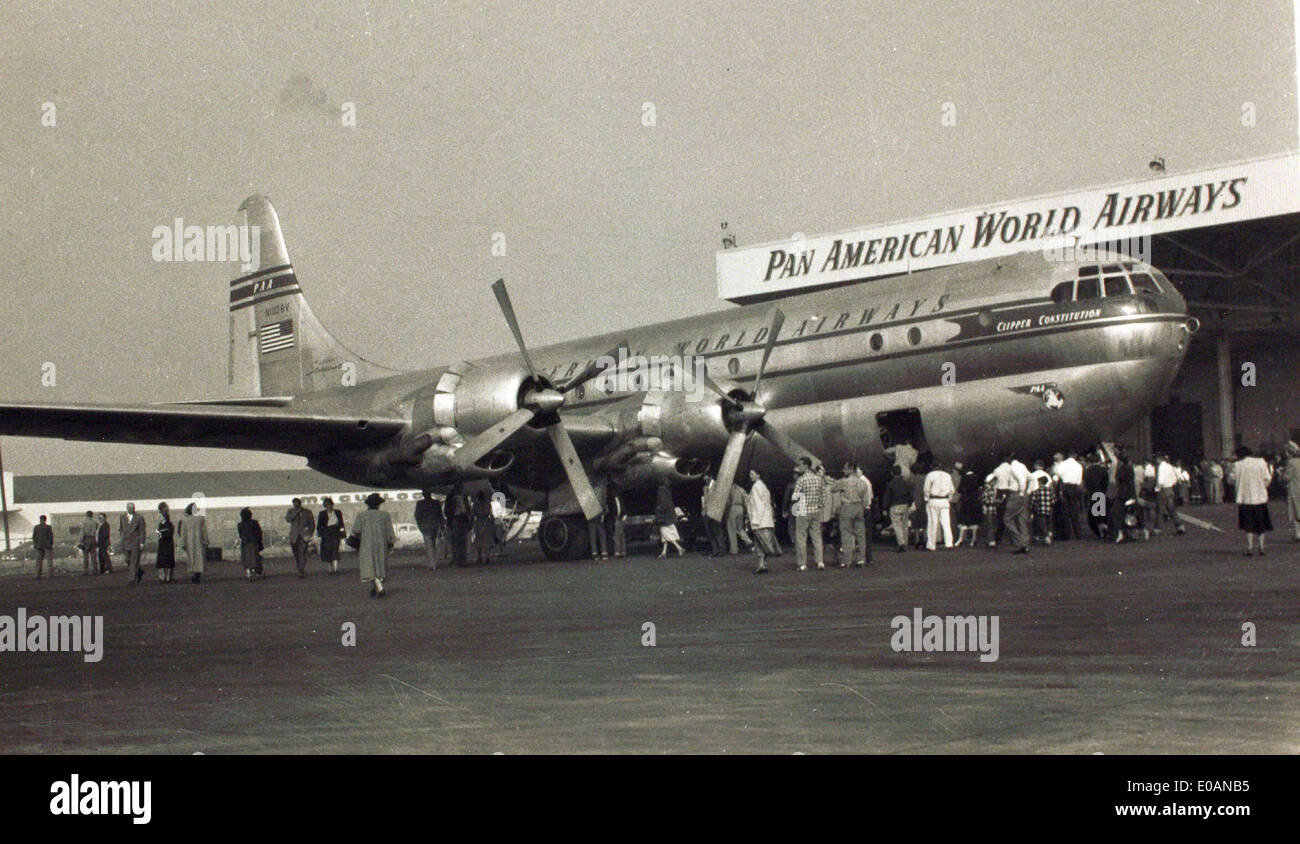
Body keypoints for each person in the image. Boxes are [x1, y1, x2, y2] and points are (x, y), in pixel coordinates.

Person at [349, 492, 396, 597]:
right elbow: (390, 532)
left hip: (366, 544)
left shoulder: (362, 515)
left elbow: (356, 530)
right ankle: (375, 588)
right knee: (379, 565)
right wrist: (391, 544)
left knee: (369, 566)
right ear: (379, 504)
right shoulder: (385, 515)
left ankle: (379, 588)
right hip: (381, 543)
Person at [1234, 446, 1273, 556]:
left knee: (1248, 524)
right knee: (1261, 524)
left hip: (1245, 498)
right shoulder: (1261, 462)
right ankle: (1261, 547)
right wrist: (1262, 488)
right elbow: (1267, 478)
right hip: (1260, 497)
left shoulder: (1237, 465)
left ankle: (1250, 547)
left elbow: (1231, 479)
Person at [790, 457, 826, 570]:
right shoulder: (818, 479)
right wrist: (820, 505)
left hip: (803, 511)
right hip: (815, 511)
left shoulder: (801, 480)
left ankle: (802, 564)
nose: (798, 467)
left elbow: (795, 496)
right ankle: (820, 561)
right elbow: (823, 495)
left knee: (801, 537)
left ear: (805, 465)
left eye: (800, 465)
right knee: (817, 537)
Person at [836, 462, 872, 567]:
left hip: (847, 507)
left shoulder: (844, 482)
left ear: (850, 469)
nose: (843, 471)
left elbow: (833, 488)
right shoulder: (863, 483)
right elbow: (866, 500)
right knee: (860, 535)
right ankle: (861, 559)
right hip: (859, 507)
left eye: (845, 469)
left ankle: (847, 560)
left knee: (846, 534)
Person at [747, 470, 781, 574]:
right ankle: (762, 564)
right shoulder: (763, 486)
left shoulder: (756, 487)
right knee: (762, 544)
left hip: (760, 520)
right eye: (750, 474)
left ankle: (762, 564)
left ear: (758, 475)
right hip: (766, 519)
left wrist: (755, 521)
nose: (750, 476)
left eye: (752, 474)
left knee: (760, 543)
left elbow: (758, 505)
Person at [922, 462, 955, 550]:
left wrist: (926, 499)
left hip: (933, 500)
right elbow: (952, 490)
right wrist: (948, 499)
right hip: (944, 501)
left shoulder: (930, 475)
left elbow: (926, 489)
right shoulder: (947, 475)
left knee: (932, 523)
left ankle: (931, 545)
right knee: (946, 523)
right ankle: (949, 543)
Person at [1053, 452, 1085, 541]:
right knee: (1074, 512)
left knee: (1064, 512)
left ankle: (1066, 535)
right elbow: (1079, 480)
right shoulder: (1079, 466)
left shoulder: (1062, 464)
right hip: (1074, 488)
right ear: (1075, 456)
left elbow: (1057, 476)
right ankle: (1078, 534)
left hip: (1064, 486)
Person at [883, 465, 914, 553]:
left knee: (897, 525)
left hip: (895, 505)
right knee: (904, 525)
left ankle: (901, 543)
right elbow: (910, 495)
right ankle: (905, 542)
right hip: (905, 505)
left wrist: (885, 508)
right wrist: (910, 503)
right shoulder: (905, 482)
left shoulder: (891, 483)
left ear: (893, 473)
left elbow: (887, 496)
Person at [1154, 453, 1186, 536]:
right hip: (1169, 488)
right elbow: (1175, 478)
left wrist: (1157, 488)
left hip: (1162, 489)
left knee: (1160, 509)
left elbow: (1160, 480)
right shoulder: (1170, 466)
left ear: (1159, 459)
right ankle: (1179, 525)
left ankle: (1158, 528)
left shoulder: (1161, 467)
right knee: (1171, 509)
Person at [178, 502, 210, 584]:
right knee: (199, 558)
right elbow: (204, 531)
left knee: (191, 558)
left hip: (189, 541)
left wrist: (182, 543)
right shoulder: (200, 518)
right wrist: (206, 541)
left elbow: (183, 532)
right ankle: (197, 574)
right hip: (199, 541)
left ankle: (193, 573)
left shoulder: (185, 519)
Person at [284, 498, 315, 578]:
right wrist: (295, 513)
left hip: (304, 536)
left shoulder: (307, 512)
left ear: (300, 504)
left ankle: (301, 570)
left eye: (297, 503)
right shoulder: (290, 511)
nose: (295, 505)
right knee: (296, 553)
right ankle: (300, 568)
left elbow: (312, 523)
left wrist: (310, 533)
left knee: (302, 553)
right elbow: (288, 519)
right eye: (294, 504)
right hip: (294, 536)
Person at [414, 489, 444, 570]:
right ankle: (434, 563)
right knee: (434, 545)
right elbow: (440, 515)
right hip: (435, 525)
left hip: (425, 526)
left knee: (428, 545)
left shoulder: (420, 503)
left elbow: (417, 515)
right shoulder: (436, 503)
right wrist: (442, 525)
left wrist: (420, 524)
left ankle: (431, 564)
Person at [1083, 453, 1110, 539]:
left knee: (1094, 515)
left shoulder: (1087, 471)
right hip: (1101, 493)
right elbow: (1106, 482)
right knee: (1101, 513)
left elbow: (1086, 483)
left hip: (1091, 494)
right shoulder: (1103, 470)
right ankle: (1103, 530)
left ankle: (1100, 531)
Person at [700, 475, 728, 558]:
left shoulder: (717, 485)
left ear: (710, 476)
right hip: (706, 511)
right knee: (710, 532)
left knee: (717, 530)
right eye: (704, 478)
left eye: (706, 477)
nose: (705, 479)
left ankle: (722, 549)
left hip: (715, 511)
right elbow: (705, 499)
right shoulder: (705, 488)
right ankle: (715, 550)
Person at [955, 464, 983, 547]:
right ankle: (973, 540)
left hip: (966, 501)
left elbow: (959, 489)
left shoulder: (965, 478)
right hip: (975, 501)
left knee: (963, 520)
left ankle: (960, 539)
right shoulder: (976, 477)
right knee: (974, 520)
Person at [654, 482, 685, 557]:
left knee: (666, 534)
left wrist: (658, 510)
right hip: (670, 517)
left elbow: (663, 506)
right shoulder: (668, 491)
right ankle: (664, 552)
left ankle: (679, 548)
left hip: (664, 518)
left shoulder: (661, 490)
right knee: (665, 535)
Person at [317, 497, 345, 575]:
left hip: (336, 533)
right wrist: (320, 534)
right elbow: (319, 525)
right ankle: (330, 569)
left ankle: (335, 569)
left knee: (335, 551)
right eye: (328, 505)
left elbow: (341, 524)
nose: (330, 506)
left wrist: (342, 535)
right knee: (327, 552)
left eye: (331, 504)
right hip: (326, 534)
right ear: (325, 506)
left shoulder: (338, 512)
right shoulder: (322, 514)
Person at [1028, 460, 1054, 545]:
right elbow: (1051, 487)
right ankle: (1048, 533)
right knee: (1048, 521)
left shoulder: (1032, 475)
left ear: (1036, 465)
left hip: (1038, 501)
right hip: (1048, 505)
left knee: (1037, 520)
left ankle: (1037, 535)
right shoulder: (1047, 475)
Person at [120, 502, 147, 584]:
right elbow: (121, 528)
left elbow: (142, 530)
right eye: (130, 508)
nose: (132, 509)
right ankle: (139, 571)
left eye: (133, 507)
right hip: (126, 542)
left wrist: (142, 542)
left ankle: (132, 579)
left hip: (135, 541)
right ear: (127, 508)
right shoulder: (122, 517)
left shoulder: (139, 517)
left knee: (134, 561)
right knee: (127, 559)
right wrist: (122, 537)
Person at [444, 485, 472, 566]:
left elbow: (467, 509)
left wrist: (469, 517)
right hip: (455, 519)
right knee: (455, 541)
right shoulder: (450, 498)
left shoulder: (464, 498)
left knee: (463, 541)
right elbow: (447, 510)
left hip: (463, 519)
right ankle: (456, 559)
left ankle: (463, 559)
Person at [237, 507, 264, 581]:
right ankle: (254, 572)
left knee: (246, 559)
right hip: (254, 543)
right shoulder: (254, 523)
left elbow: (240, 534)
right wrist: (260, 542)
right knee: (254, 558)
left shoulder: (240, 525)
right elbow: (259, 533)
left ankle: (249, 572)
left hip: (245, 543)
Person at [726, 482, 752, 554]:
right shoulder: (741, 489)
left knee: (731, 529)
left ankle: (734, 549)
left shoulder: (729, 488)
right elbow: (746, 499)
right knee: (740, 528)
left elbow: (728, 501)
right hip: (740, 508)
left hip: (732, 507)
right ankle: (748, 540)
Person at [472, 491, 497, 564]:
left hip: (479, 521)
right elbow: (490, 513)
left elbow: (474, 513)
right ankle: (487, 557)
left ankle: (479, 557)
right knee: (487, 540)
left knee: (479, 539)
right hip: (486, 521)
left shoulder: (475, 505)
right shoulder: (487, 504)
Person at [155, 503, 176, 583]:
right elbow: (158, 530)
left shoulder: (168, 520)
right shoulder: (161, 519)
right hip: (163, 541)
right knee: (163, 559)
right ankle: (164, 576)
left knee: (168, 559)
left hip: (167, 541)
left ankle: (167, 576)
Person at [606, 484, 627, 558]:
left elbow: (614, 510)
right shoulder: (618, 499)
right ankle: (622, 551)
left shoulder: (612, 500)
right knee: (621, 535)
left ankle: (617, 552)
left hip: (619, 518)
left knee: (617, 535)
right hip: (619, 517)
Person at [1285, 442, 1300, 542]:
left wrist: (1281, 473)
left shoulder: (1291, 462)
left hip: (1295, 489)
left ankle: (1298, 533)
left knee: (1295, 512)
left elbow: (1287, 477)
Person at [79, 510, 97, 575]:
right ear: (92, 515)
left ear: (86, 515)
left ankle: (85, 571)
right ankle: (95, 570)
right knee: (93, 556)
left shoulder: (84, 522)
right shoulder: (95, 522)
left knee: (85, 556)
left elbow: (82, 532)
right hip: (93, 539)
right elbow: (96, 530)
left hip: (86, 539)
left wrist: (80, 540)